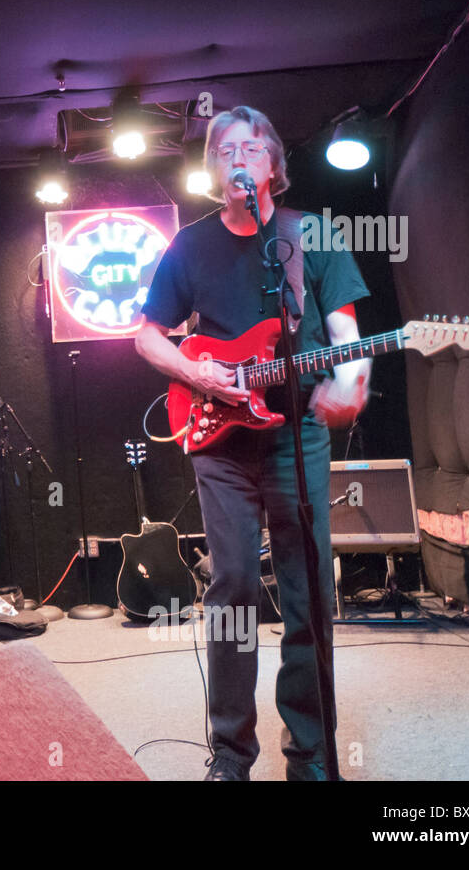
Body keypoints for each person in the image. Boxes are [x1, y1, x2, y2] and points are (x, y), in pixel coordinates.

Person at [134, 106, 371, 781]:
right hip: (221, 439)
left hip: (297, 432)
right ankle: (231, 756)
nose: (239, 157)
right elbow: (148, 333)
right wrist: (194, 369)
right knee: (234, 585)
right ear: (215, 168)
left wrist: (352, 380)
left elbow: (344, 328)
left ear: (271, 162)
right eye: (225, 149)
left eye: (250, 146)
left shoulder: (310, 235)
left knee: (308, 595)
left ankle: (313, 755)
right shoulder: (189, 245)